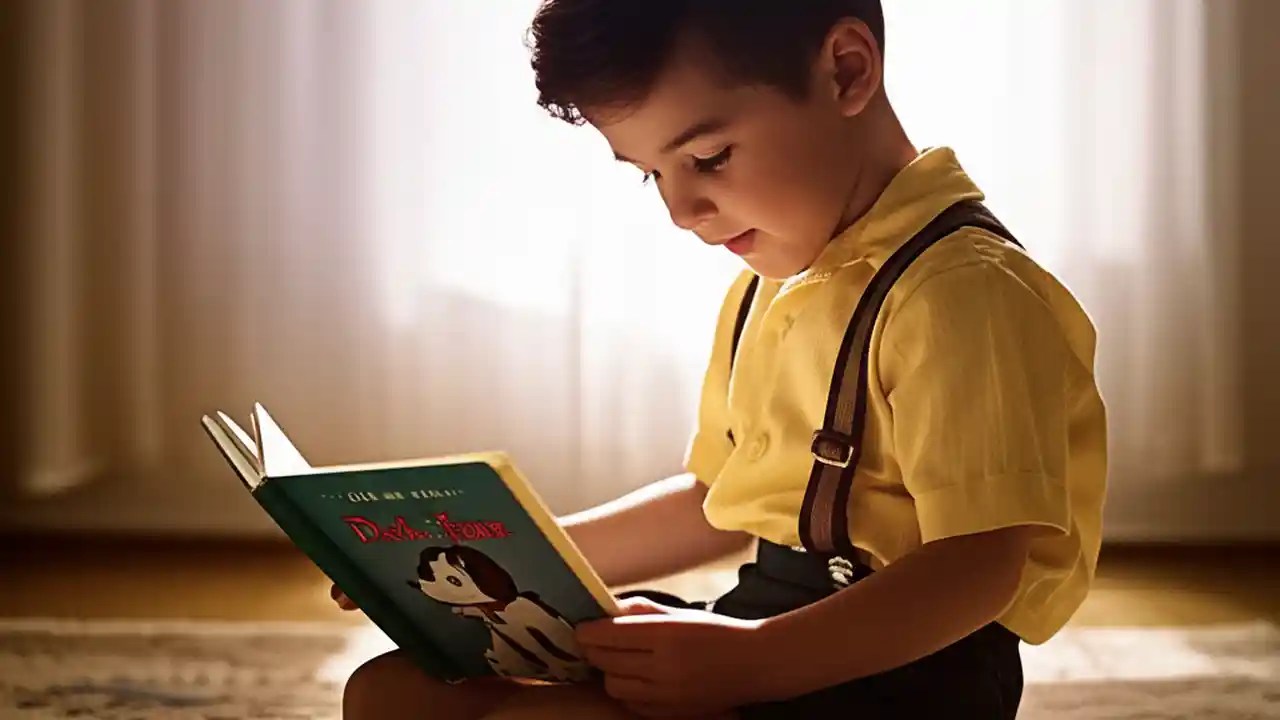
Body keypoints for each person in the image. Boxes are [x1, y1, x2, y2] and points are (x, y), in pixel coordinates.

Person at [340, 1, 1108, 718]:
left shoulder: (964, 293)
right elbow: (715, 500)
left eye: (707, 157)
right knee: (392, 689)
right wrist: (485, 559)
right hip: (764, 624)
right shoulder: (770, 285)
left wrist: (753, 660)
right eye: (652, 174)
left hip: (910, 670)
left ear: (846, 70)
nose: (681, 212)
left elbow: (979, 568)